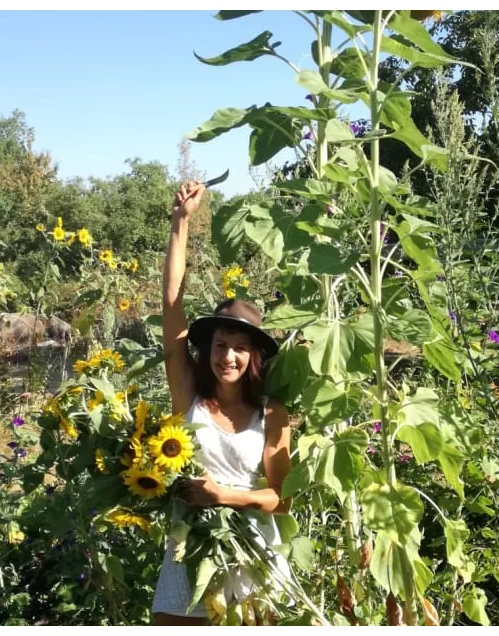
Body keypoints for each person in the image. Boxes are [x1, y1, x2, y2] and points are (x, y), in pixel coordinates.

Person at [151, 179, 293, 626]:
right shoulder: (188, 396)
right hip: (189, 546)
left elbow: (282, 499)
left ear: (254, 356)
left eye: (238, 347)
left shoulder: (272, 411)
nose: (226, 356)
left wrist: (225, 497)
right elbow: (171, 303)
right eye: (218, 344)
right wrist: (180, 222)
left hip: (251, 553)